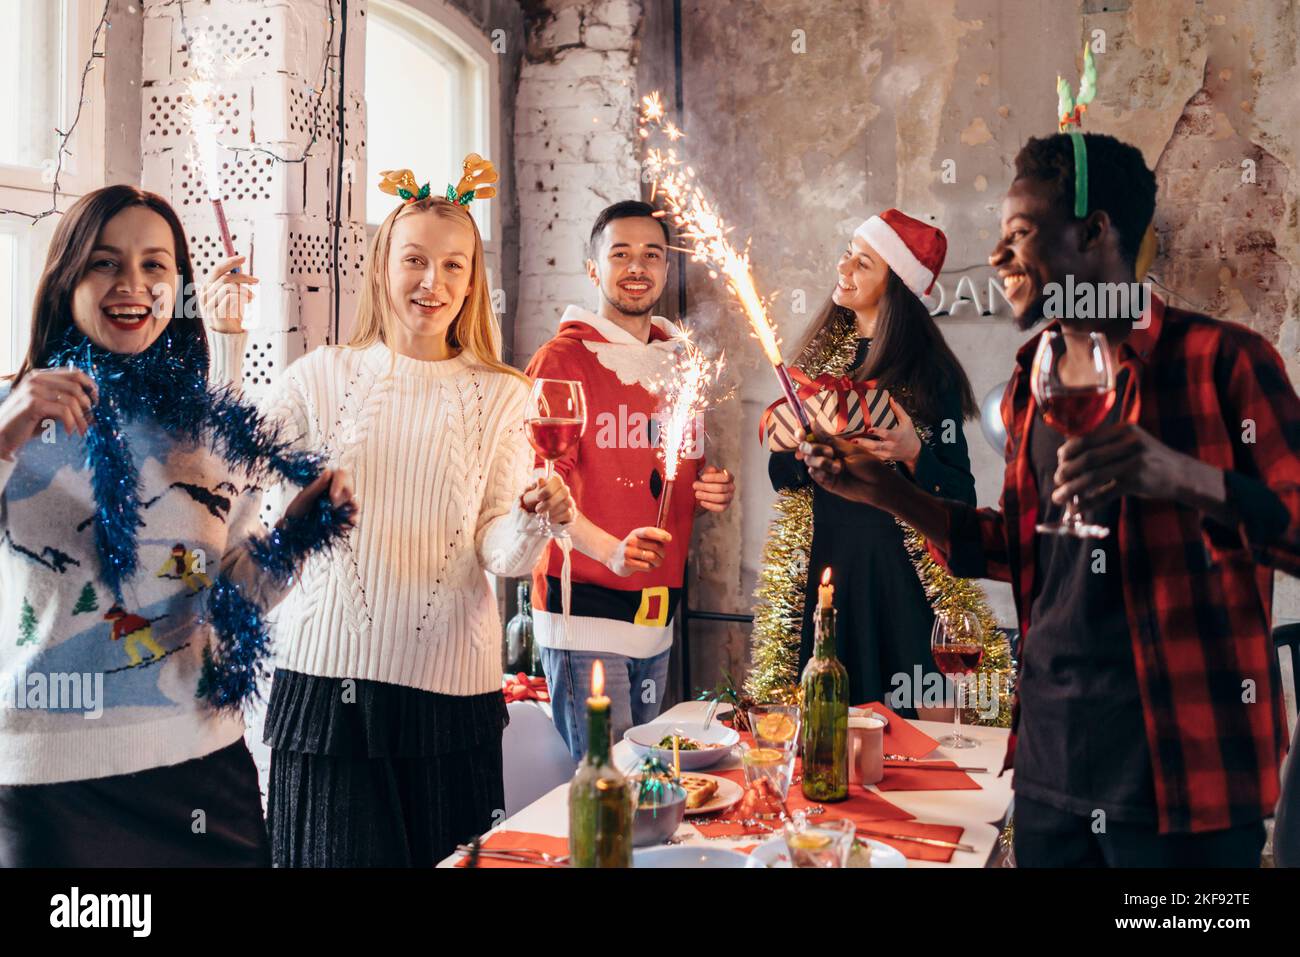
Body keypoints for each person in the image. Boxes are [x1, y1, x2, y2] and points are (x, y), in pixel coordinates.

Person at [798, 132, 1299, 867]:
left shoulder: (1223, 361)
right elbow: (1021, 550)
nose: (998, 258)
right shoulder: (1033, 374)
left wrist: (1179, 476)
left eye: (1021, 234)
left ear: (1096, 232)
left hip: (1184, 786)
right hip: (1052, 772)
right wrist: (887, 490)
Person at [207, 163, 575, 867]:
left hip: (451, 699)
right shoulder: (320, 377)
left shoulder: (504, 395)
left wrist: (536, 518)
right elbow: (228, 466)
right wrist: (227, 335)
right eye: (413, 259)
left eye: (451, 265)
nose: (430, 282)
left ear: (472, 282)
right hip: (324, 695)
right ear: (381, 268)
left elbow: (501, 554)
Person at [0, 185, 351, 866]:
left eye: (155, 265)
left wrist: (295, 537)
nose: (132, 284)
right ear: (65, 278)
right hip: (53, 786)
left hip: (204, 768)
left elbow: (225, 595)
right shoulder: (14, 414)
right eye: (104, 263)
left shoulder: (214, 430)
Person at [525, 200, 736, 760]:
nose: (637, 267)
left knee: (647, 777)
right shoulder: (562, 360)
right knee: (609, 783)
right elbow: (543, 492)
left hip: (655, 606)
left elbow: (674, 466)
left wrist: (710, 485)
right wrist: (610, 549)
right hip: (583, 612)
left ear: (667, 269)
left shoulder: (679, 361)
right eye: (620, 254)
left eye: (652, 254)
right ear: (593, 269)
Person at [767, 209, 976, 709]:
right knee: (827, 719)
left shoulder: (930, 374)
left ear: (897, 286)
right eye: (848, 255)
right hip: (824, 571)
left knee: (904, 732)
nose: (844, 270)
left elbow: (962, 496)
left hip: (899, 579)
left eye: (863, 264)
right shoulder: (818, 363)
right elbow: (783, 478)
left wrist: (913, 454)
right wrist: (799, 447)